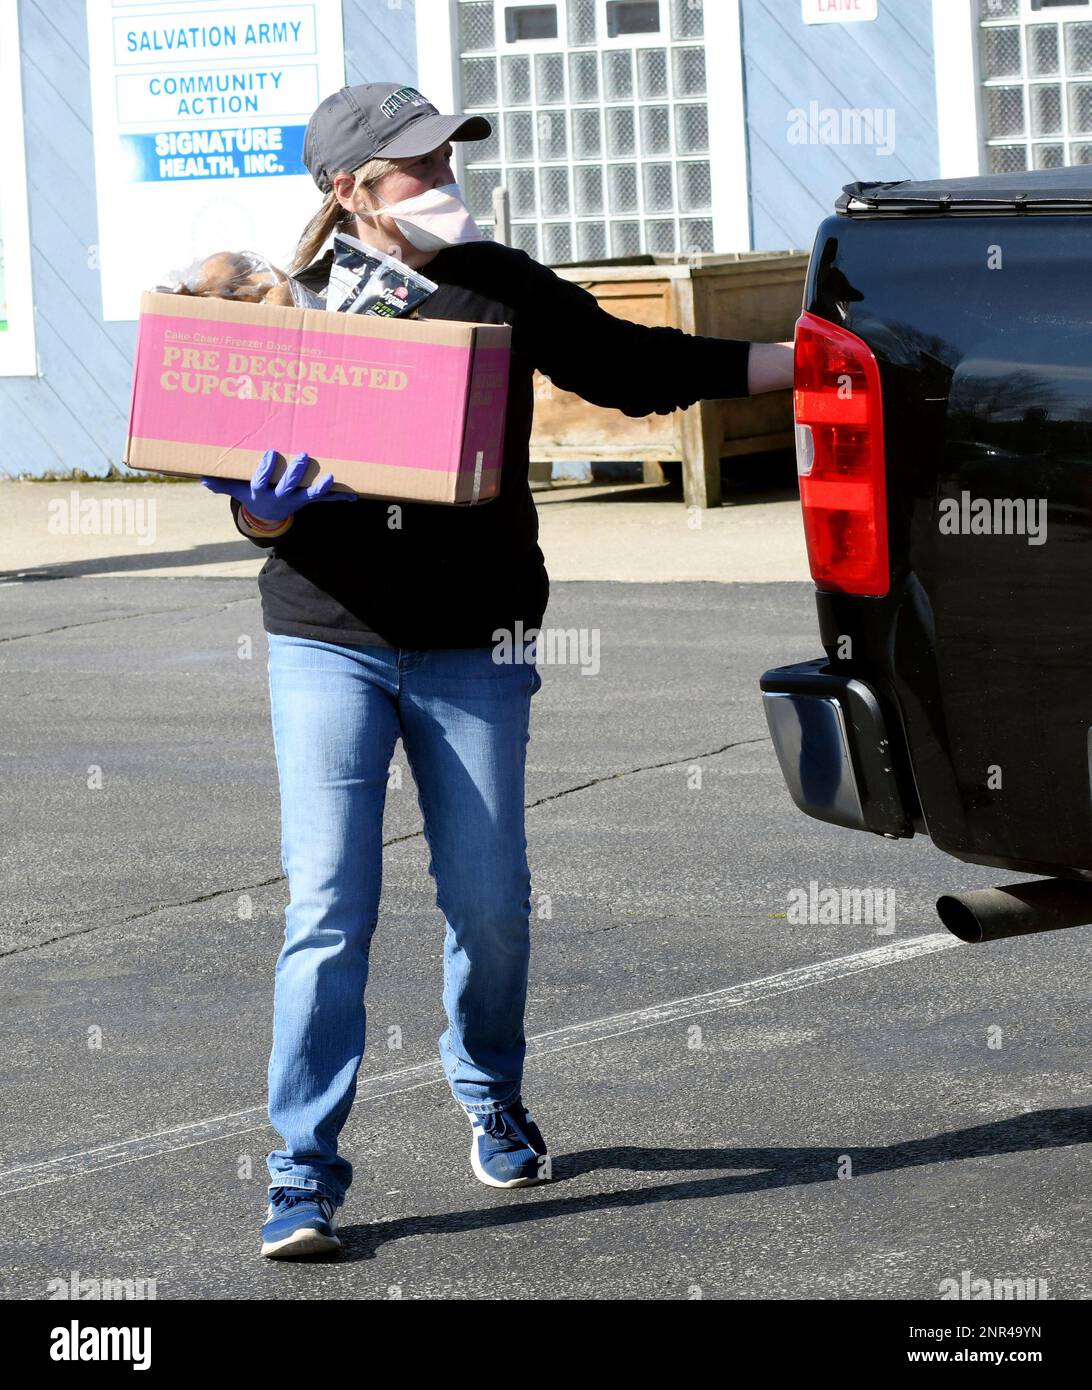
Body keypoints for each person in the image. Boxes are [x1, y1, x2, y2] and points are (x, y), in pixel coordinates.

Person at [201, 81, 794, 1260]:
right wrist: (260, 516)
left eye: (445, 155)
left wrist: (813, 362)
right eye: (416, 165)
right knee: (327, 906)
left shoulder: (500, 283)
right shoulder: (289, 307)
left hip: (478, 640)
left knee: (488, 900)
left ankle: (489, 1090)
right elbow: (237, 479)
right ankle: (301, 1174)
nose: (443, 179)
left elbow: (637, 364)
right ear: (350, 190)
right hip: (330, 633)